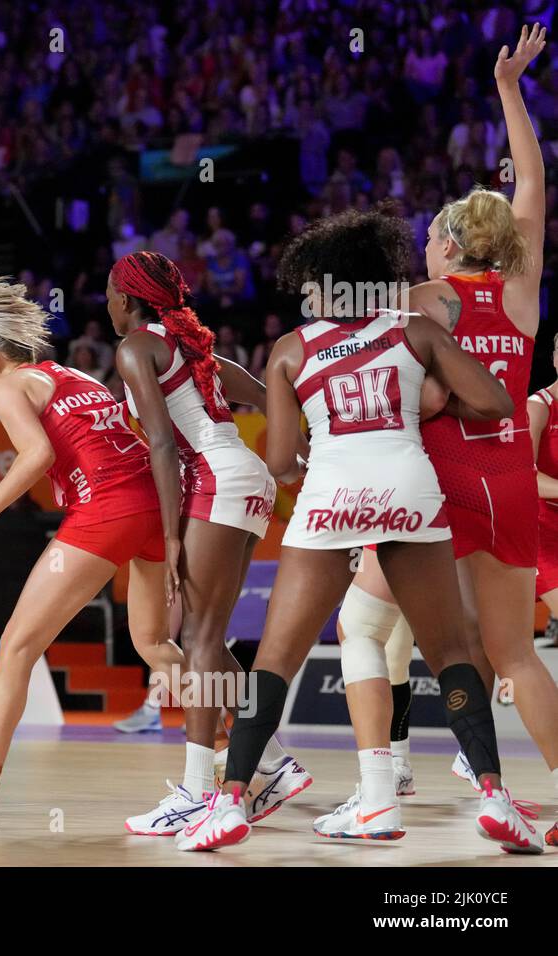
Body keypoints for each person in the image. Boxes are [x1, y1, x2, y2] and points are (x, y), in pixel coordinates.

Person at [176, 208, 539, 853]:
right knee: (452, 653)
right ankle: (494, 797)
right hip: (409, 487)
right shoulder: (415, 330)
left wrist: (318, 465)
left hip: (331, 497)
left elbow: (283, 461)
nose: (308, 292)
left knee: (275, 661)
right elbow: (497, 403)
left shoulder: (291, 349)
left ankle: (229, 805)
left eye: (313, 281)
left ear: (330, 282)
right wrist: (436, 399)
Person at [335, 24, 558, 842]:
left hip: (433, 490)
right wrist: (509, 89)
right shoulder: (525, 295)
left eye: (433, 233)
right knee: (516, 656)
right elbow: (530, 179)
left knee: (364, 627)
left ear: (451, 246)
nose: (424, 243)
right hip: (509, 483)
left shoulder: (421, 302)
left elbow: (396, 398)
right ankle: (511, 790)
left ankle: (381, 790)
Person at [0, 276, 171, 830]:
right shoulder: (73, 375)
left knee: (16, 645)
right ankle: (254, 753)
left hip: (105, 506)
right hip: (153, 503)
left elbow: (35, 454)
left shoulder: (6, 387)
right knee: (155, 642)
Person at [107, 251, 311, 836]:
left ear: (130, 297)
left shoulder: (135, 349)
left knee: (196, 636)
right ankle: (271, 761)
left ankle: (199, 793)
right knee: (208, 635)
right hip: (248, 477)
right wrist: (301, 444)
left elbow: (164, 448)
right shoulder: (190, 346)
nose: (107, 303)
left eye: (111, 293)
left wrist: (170, 536)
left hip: (214, 478)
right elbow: (264, 388)